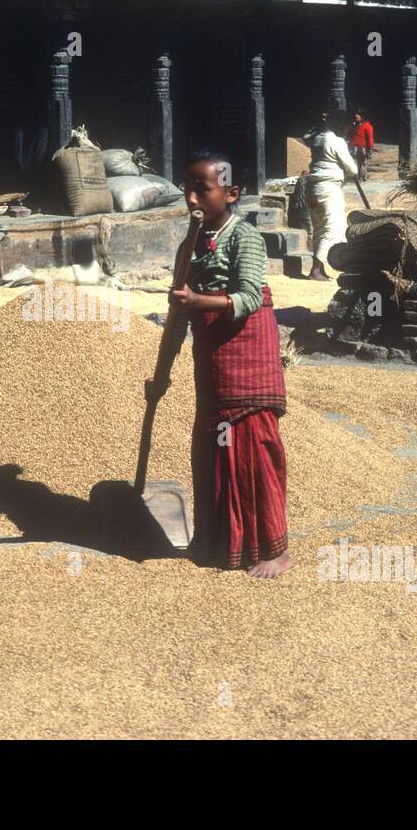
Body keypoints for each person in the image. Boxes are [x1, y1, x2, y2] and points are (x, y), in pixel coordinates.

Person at [163, 149, 290, 579]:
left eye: (203, 189)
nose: (193, 199)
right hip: (212, 356)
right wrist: (160, 375)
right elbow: (177, 316)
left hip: (246, 350)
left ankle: (274, 549)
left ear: (231, 192)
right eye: (188, 189)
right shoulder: (190, 245)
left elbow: (250, 297)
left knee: (253, 448)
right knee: (213, 449)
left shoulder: (245, 237)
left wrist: (197, 301)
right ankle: (219, 542)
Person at [304, 112, 358, 281]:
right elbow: (353, 169)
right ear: (341, 126)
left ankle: (319, 268)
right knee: (332, 228)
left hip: (313, 188)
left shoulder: (318, 138)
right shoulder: (336, 141)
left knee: (319, 228)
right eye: (346, 127)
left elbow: (306, 136)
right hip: (328, 188)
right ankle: (316, 269)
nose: (347, 130)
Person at [348, 109, 374, 181]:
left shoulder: (368, 126)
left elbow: (370, 138)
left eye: (356, 117)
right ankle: (356, 176)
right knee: (353, 162)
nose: (355, 119)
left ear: (362, 117)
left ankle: (362, 177)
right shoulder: (354, 125)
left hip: (361, 147)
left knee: (361, 163)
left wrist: (370, 147)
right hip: (353, 147)